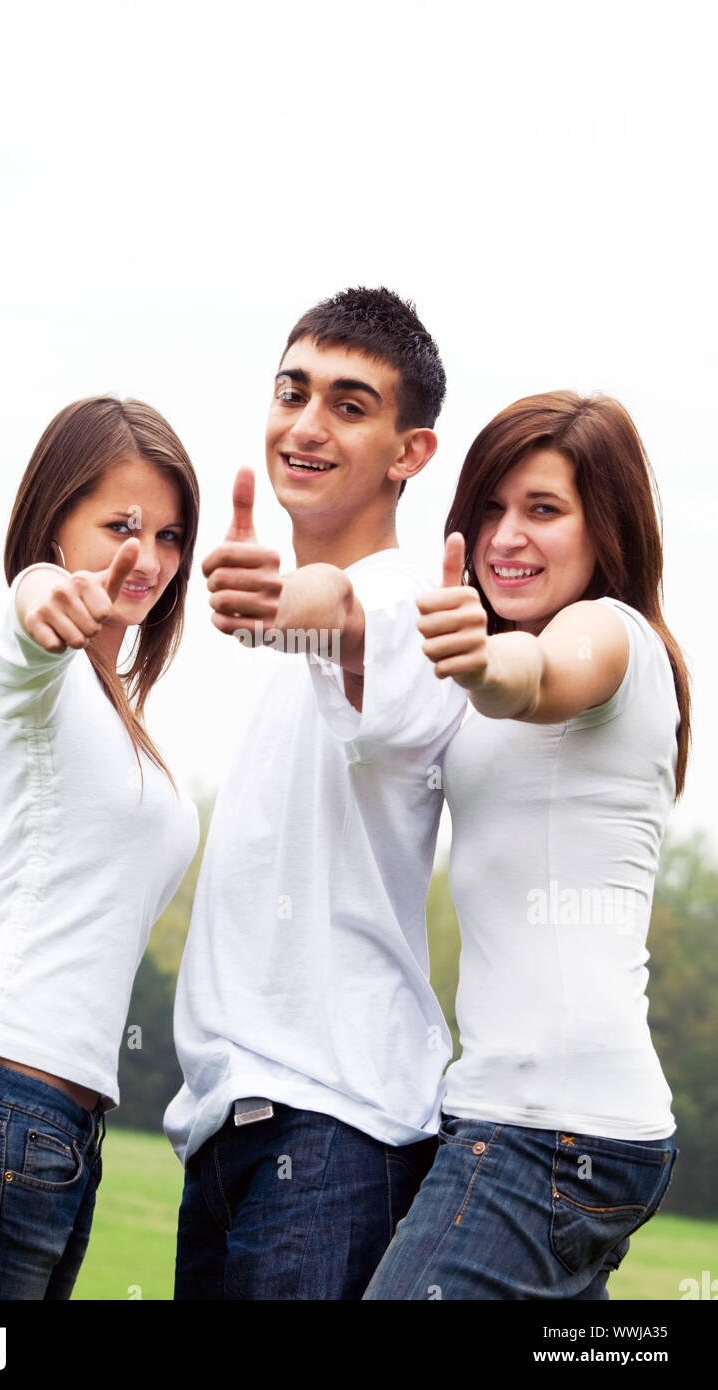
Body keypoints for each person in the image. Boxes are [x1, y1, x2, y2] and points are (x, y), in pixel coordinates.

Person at [164, 286, 467, 1300]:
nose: (304, 424)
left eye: (347, 404)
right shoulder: (290, 671)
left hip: (331, 1136)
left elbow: (333, 610)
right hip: (232, 1133)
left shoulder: (413, 616)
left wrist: (268, 605)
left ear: (408, 452)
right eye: (291, 391)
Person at [0, 396, 200, 1299]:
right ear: (53, 523)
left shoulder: (109, 707)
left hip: (50, 1128)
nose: (151, 558)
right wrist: (35, 596)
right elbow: (10, 631)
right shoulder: (31, 668)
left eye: (171, 535)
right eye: (120, 525)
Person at [364, 390, 690, 1301]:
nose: (508, 535)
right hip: (564, 1120)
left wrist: (482, 664)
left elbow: (533, 678)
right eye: (492, 509)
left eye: (543, 510)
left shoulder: (608, 635)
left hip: (547, 1125)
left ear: (605, 529)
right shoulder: (505, 668)